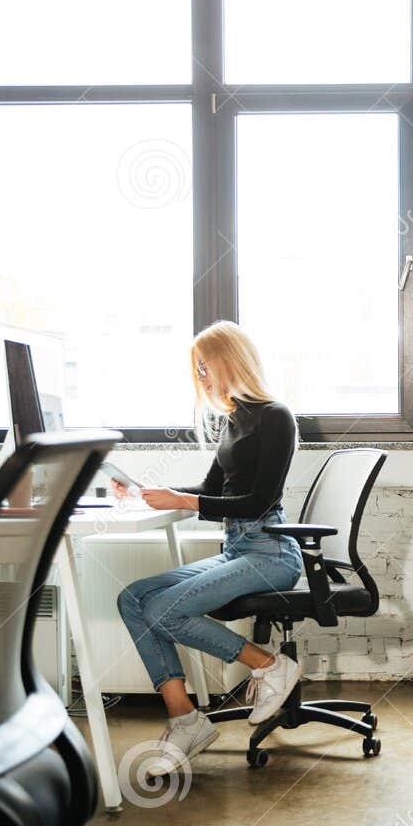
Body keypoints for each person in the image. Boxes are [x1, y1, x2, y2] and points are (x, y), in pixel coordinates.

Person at [114, 321, 303, 777]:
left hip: (269, 551)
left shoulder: (276, 416)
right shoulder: (233, 420)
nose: (202, 377)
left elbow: (258, 500)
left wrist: (186, 501)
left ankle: (270, 666)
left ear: (230, 360)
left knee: (163, 611)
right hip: (237, 548)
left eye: (206, 366)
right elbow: (209, 490)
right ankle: (186, 720)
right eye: (196, 369)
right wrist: (152, 491)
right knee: (133, 598)